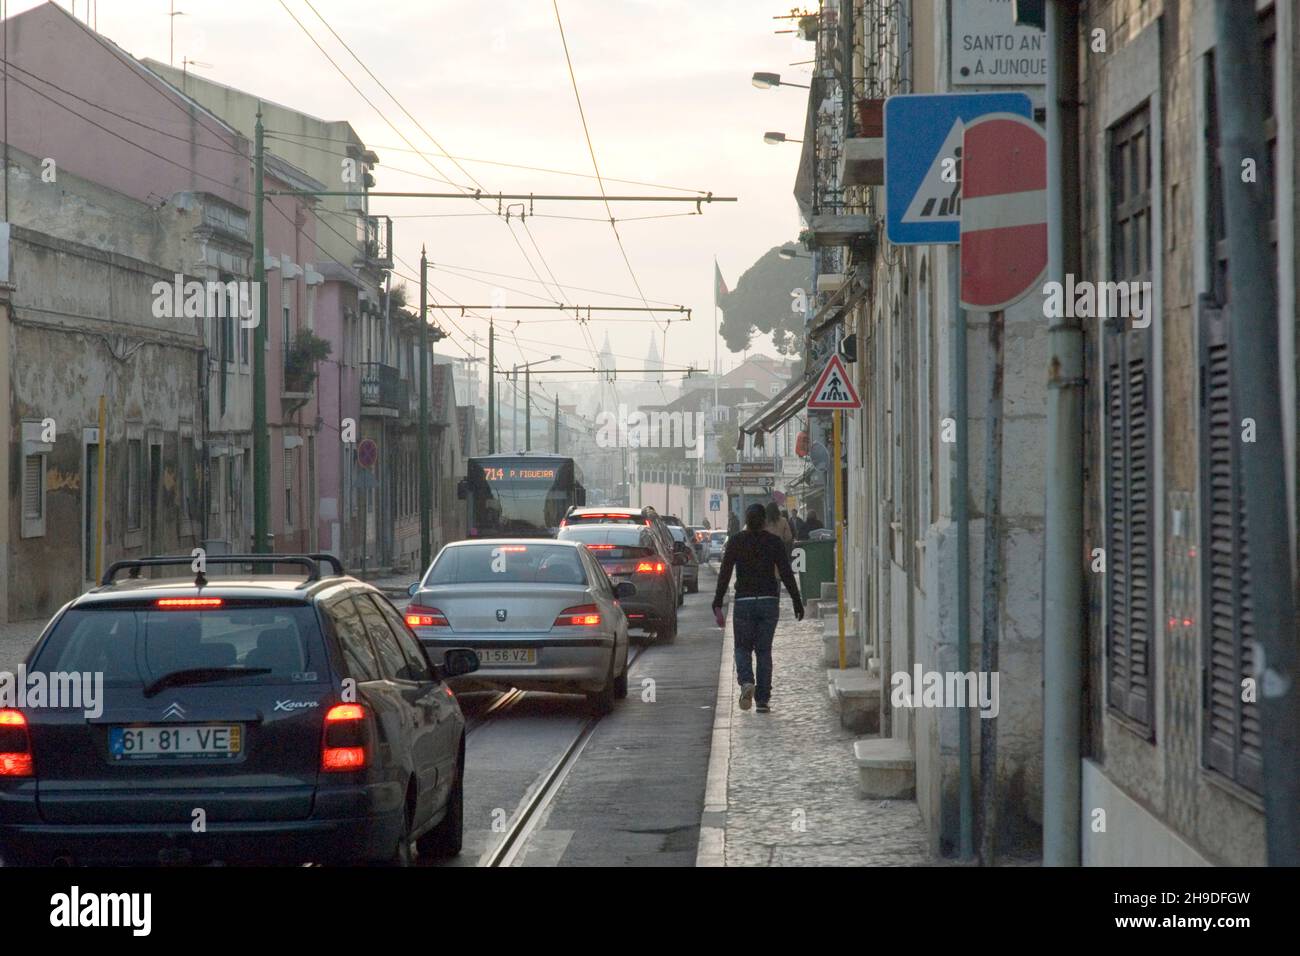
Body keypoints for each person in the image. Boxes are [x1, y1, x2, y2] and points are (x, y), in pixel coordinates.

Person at [712, 503, 804, 714]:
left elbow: (725, 573)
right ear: (764, 521)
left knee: (742, 648)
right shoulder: (774, 543)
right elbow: (786, 573)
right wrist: (797, 601)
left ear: (746, 520)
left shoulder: (736, 541)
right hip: (768, 600)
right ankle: (762, 700)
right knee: (764, 651)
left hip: (744, 601)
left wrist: (718, 601)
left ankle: (746, 681)